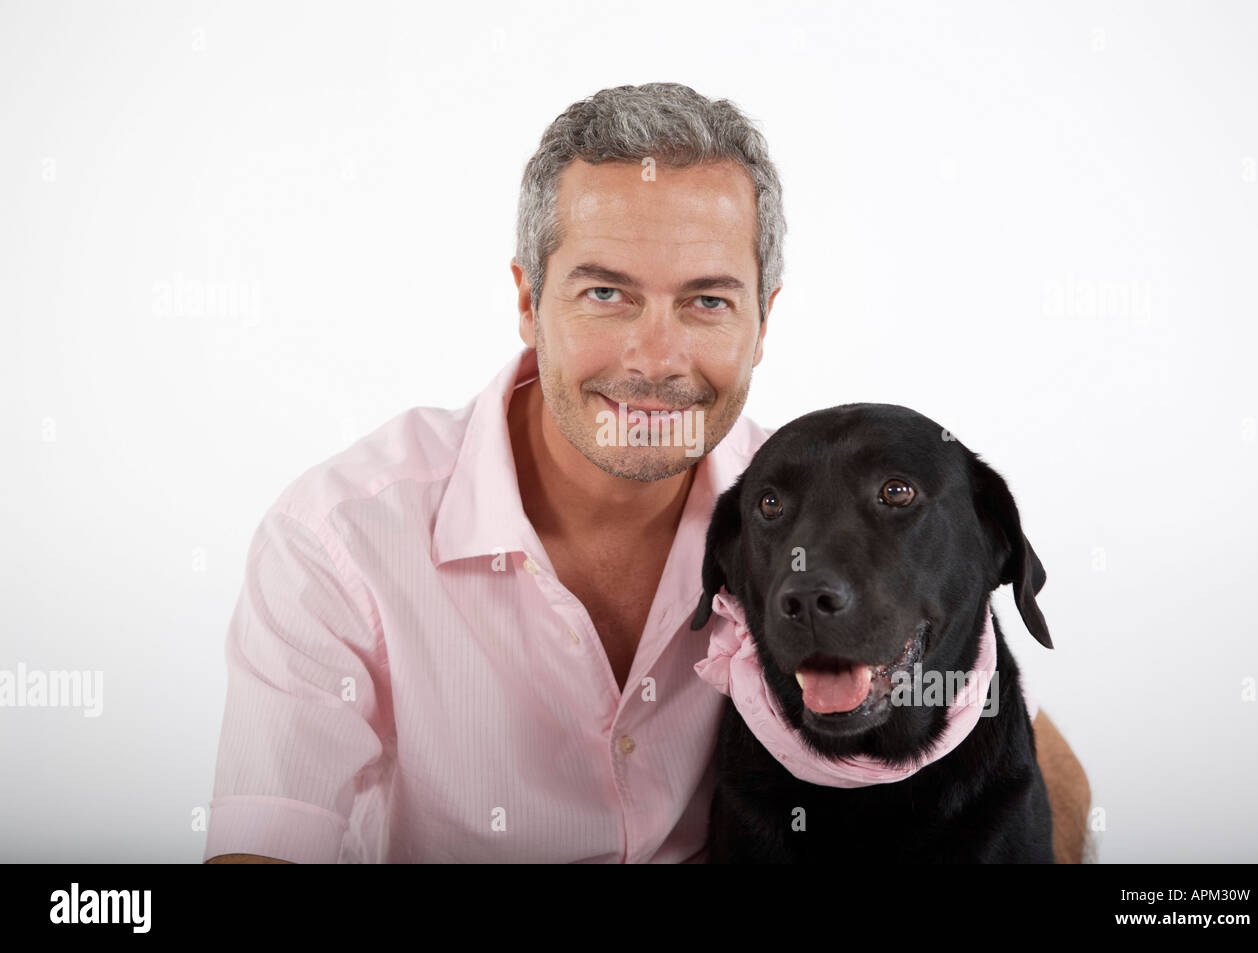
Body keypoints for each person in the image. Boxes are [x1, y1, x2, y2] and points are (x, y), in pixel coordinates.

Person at [204, 82, 1090, 864]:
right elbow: (267, 843)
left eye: (706, 300)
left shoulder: (813, 501)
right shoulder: (337, 537)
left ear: (762, 319)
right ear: (526, 300)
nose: (656, 356)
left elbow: (1018, 749)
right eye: (605, 293)